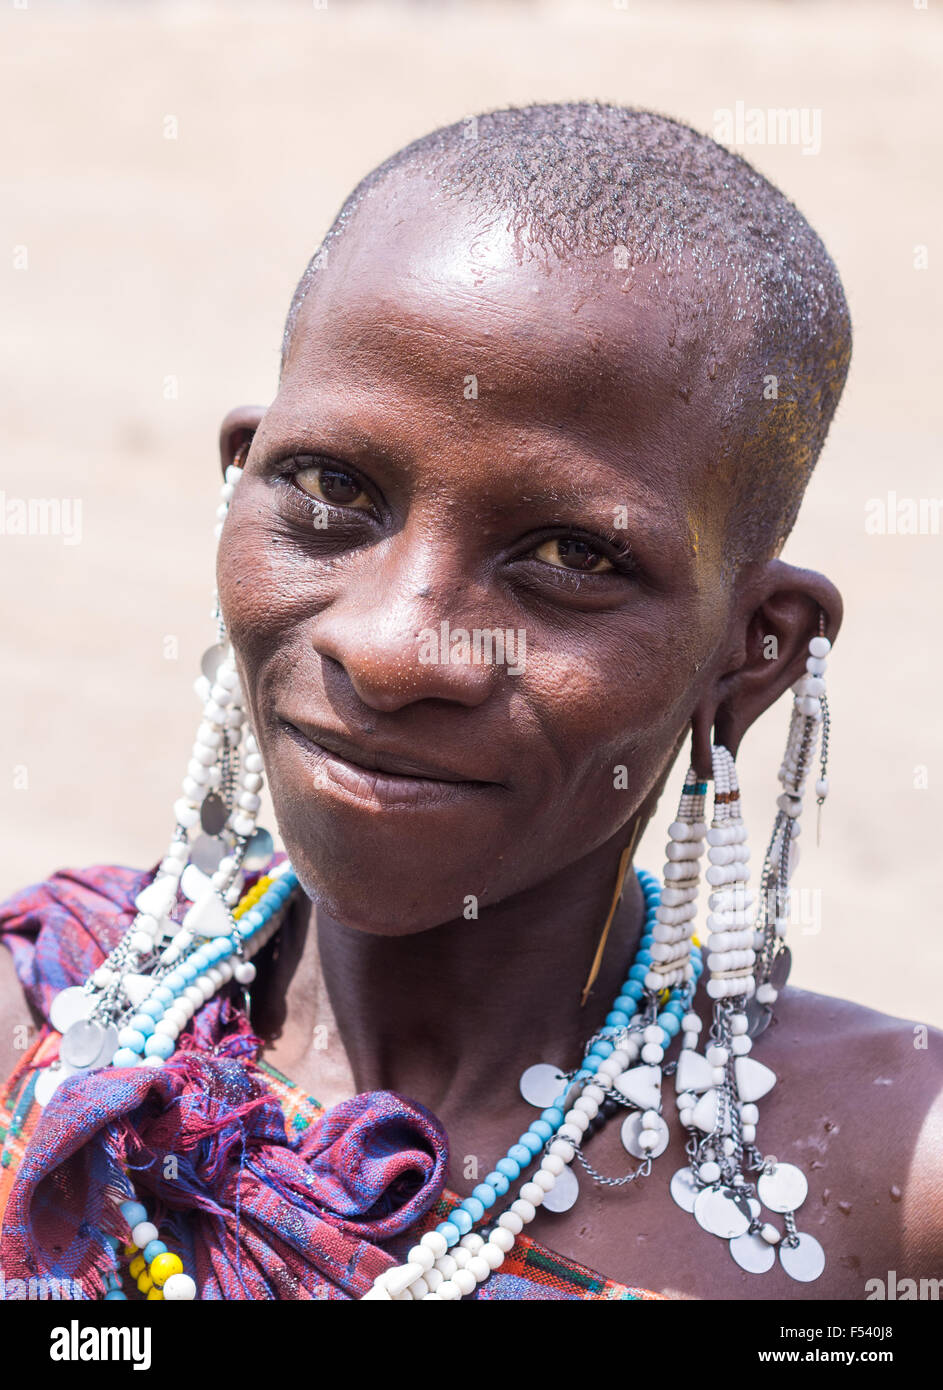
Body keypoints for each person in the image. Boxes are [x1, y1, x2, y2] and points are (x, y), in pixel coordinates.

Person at [1, 103, 940, 1302]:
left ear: (748, 656)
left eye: (571, 556)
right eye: (331, 487)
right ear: (242, 477)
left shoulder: (896, 1184)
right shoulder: (34, 1012)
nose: (392, 650)